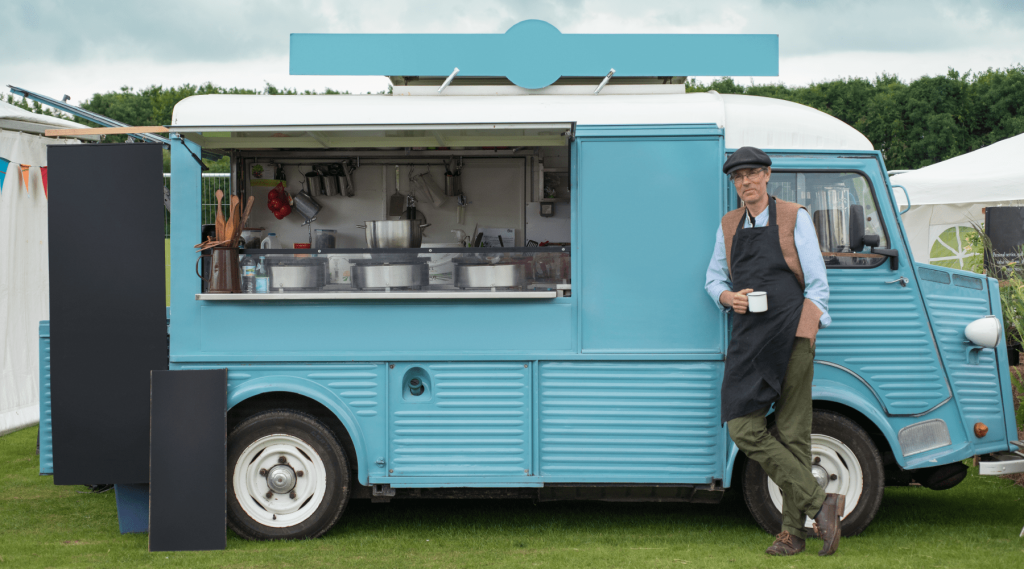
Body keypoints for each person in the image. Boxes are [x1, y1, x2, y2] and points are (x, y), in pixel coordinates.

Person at [705, 147, 844, 556]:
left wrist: (805, 331)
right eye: (738, 177)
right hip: (749, 337)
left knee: (793, 433)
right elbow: (713, 278)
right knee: (742, 428)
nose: (745, 182)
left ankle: (792, 534)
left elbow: (817, 283)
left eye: (751, 173)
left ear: (767, 176)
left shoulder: (794, 216)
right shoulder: (729, 225)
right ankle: (820, 503)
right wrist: (728, 297)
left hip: (791, 335)